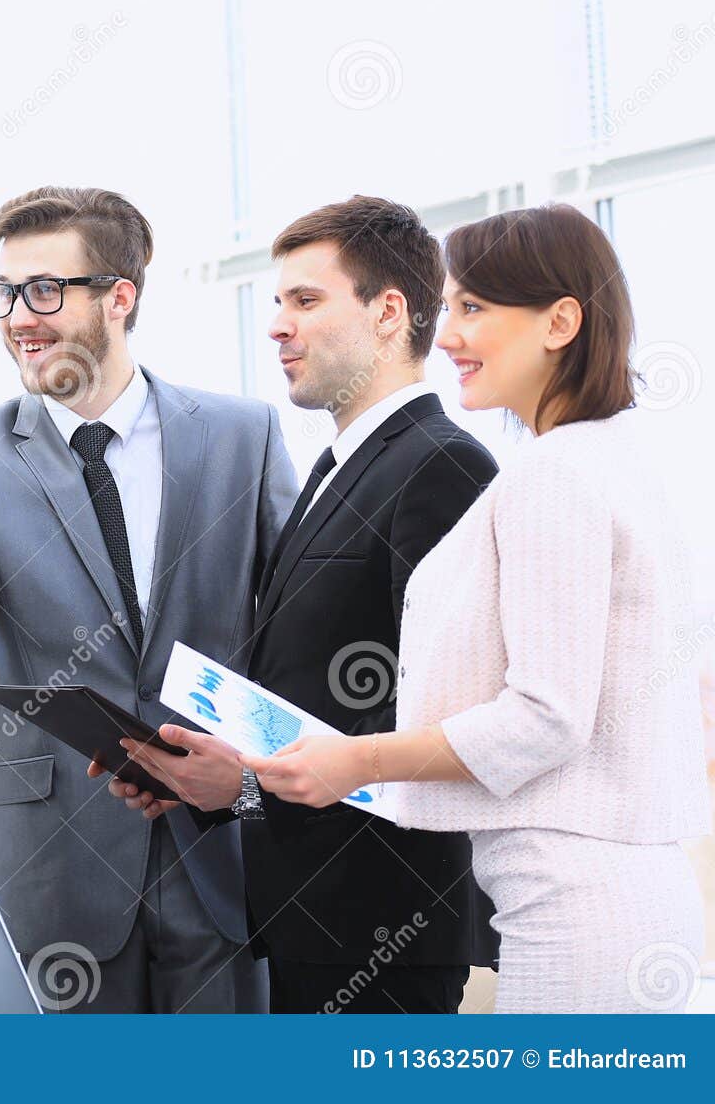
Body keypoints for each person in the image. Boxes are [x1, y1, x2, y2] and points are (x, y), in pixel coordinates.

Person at [0, 186, 297, 1013]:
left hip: (221, 848)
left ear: (120, 297)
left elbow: (297, 624)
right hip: (54, 861)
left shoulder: (242, 434)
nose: (19, 318)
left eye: (45, 291)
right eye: (5, 293)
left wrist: (269, 777)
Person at [248, 203, 711, 1013]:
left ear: (560, 322)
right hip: (615, 887)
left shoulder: (553, 472)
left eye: (473, 309)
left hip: (571, 901)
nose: (449, 336)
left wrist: (354, 761)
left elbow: (545, 717)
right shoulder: (609, 455)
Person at [103, 196, 500, 1013]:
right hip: (307, 917)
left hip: (382, 923)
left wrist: (247, 783)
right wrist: (215, 779)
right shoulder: (333, 469)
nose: (278, 325)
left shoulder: (443, 466)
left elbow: (448, 724)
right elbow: (319, 698)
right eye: (278, 301)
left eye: (307, 300)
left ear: (389, 313)